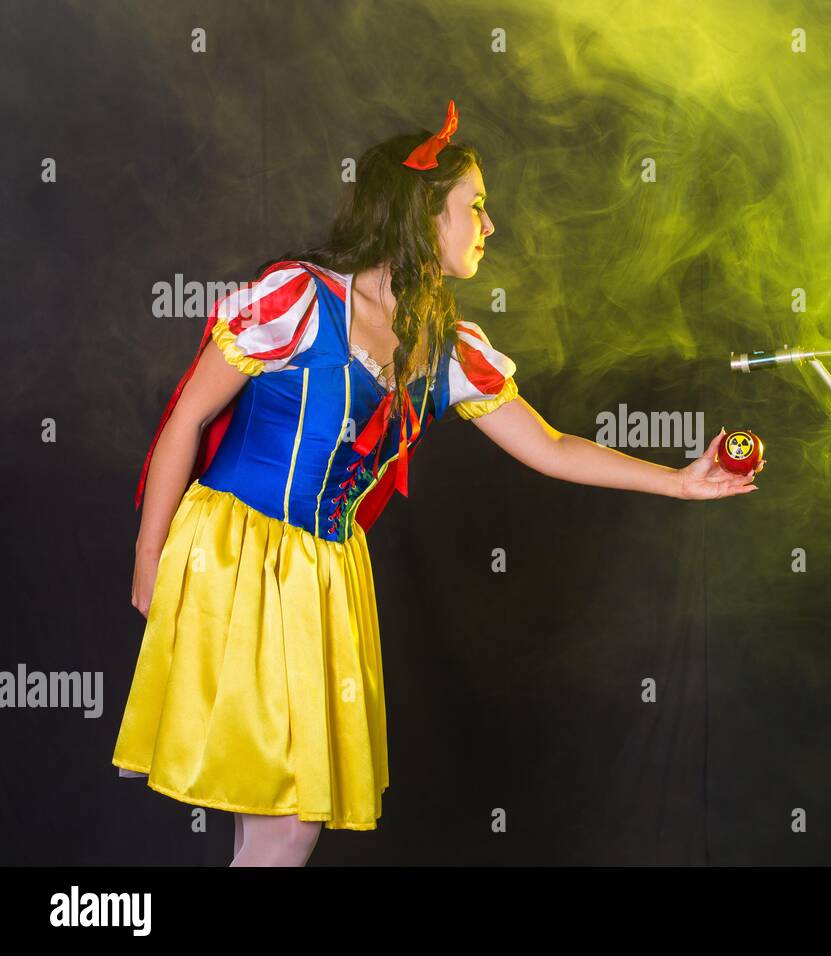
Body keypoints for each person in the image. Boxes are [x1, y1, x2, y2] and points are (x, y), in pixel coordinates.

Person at [113, 101, 761, 866]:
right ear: (426, 213)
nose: (490, 227)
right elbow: (186, 418)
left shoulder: (447, 349)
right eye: (476, 208)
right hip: (234, 558)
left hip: (323, 579)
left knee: (275, 813)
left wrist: (680, 484)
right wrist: (149, 561)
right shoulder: (297, 299)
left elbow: (550, 446)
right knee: (284, 822)